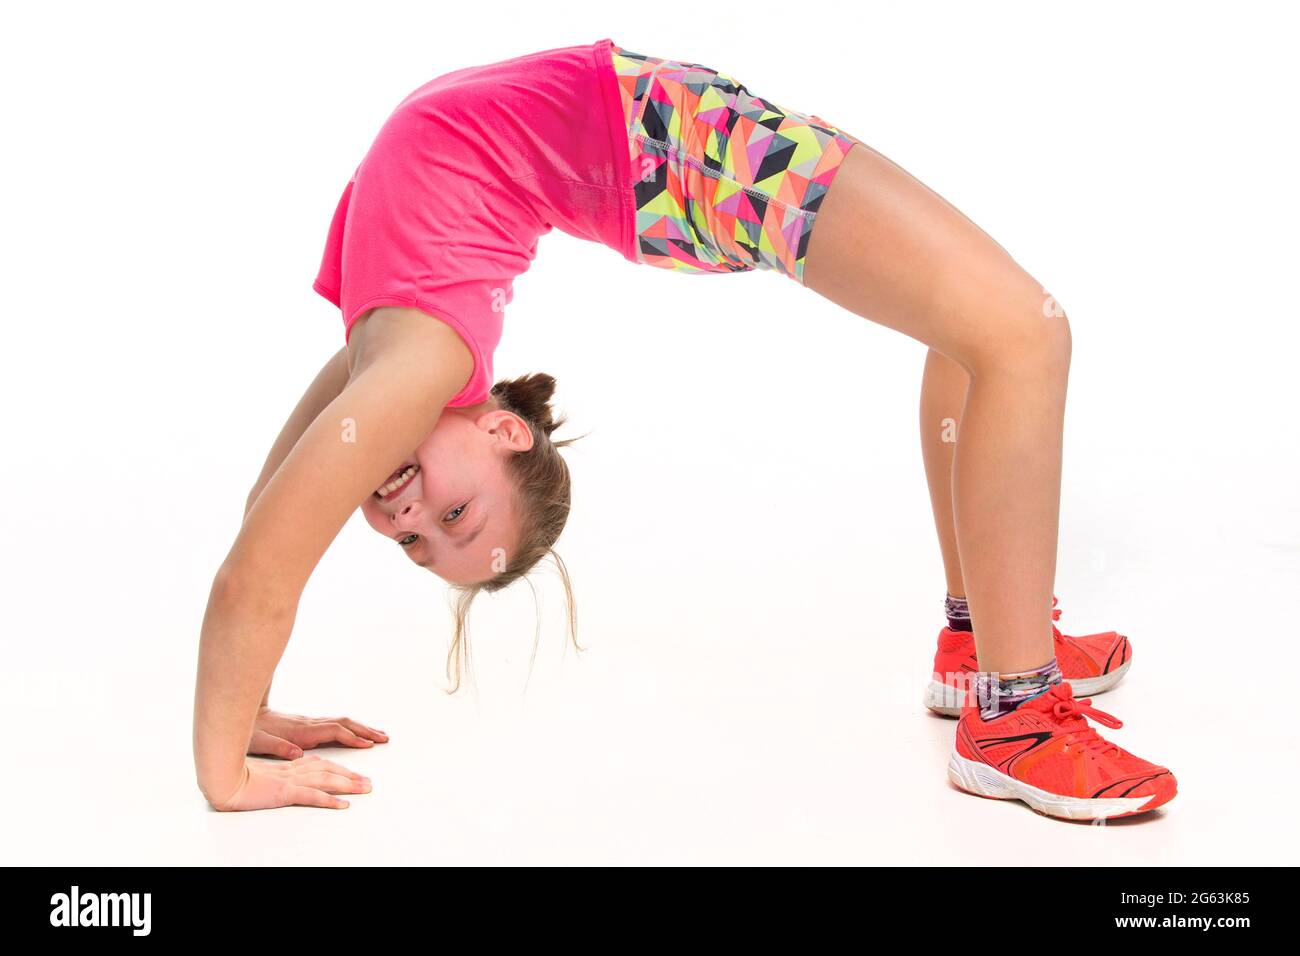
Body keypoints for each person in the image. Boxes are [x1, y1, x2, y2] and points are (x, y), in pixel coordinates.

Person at [194, 39, 1176, 820]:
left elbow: (261, 546)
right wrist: (232, 752)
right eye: (430, 534)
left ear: (503, 429)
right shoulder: (413, 366)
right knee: (1022, 334)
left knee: (985, 337)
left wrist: (240, 735)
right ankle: (1010, 713)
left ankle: (980, 652)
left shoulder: (397, 362)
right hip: (678, 152)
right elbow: (267, 551)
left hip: (670, 142)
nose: (410, 514)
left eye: (435, 522)